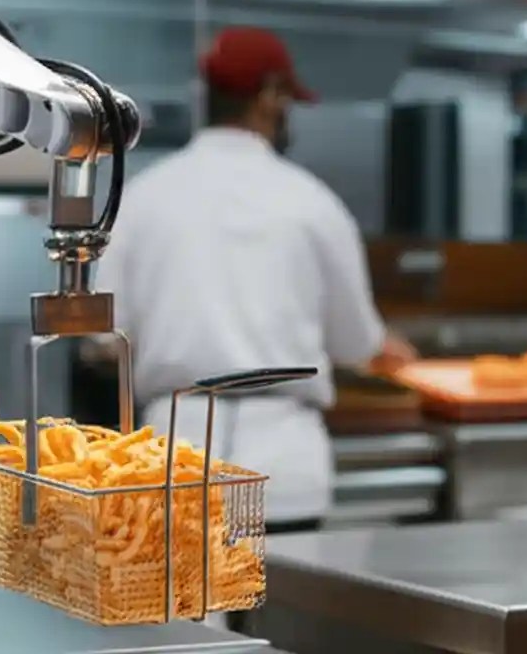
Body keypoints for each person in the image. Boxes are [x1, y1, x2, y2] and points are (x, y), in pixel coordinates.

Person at [93, 27, 417, 533]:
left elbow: (102, 333)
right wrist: (384, 345)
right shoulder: (313, 203)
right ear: (269, 96)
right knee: (283, 612)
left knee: (180, 614)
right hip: (284, 468)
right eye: (287, 97)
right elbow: (355, 344)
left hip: (173, 459)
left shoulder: (142, 198)